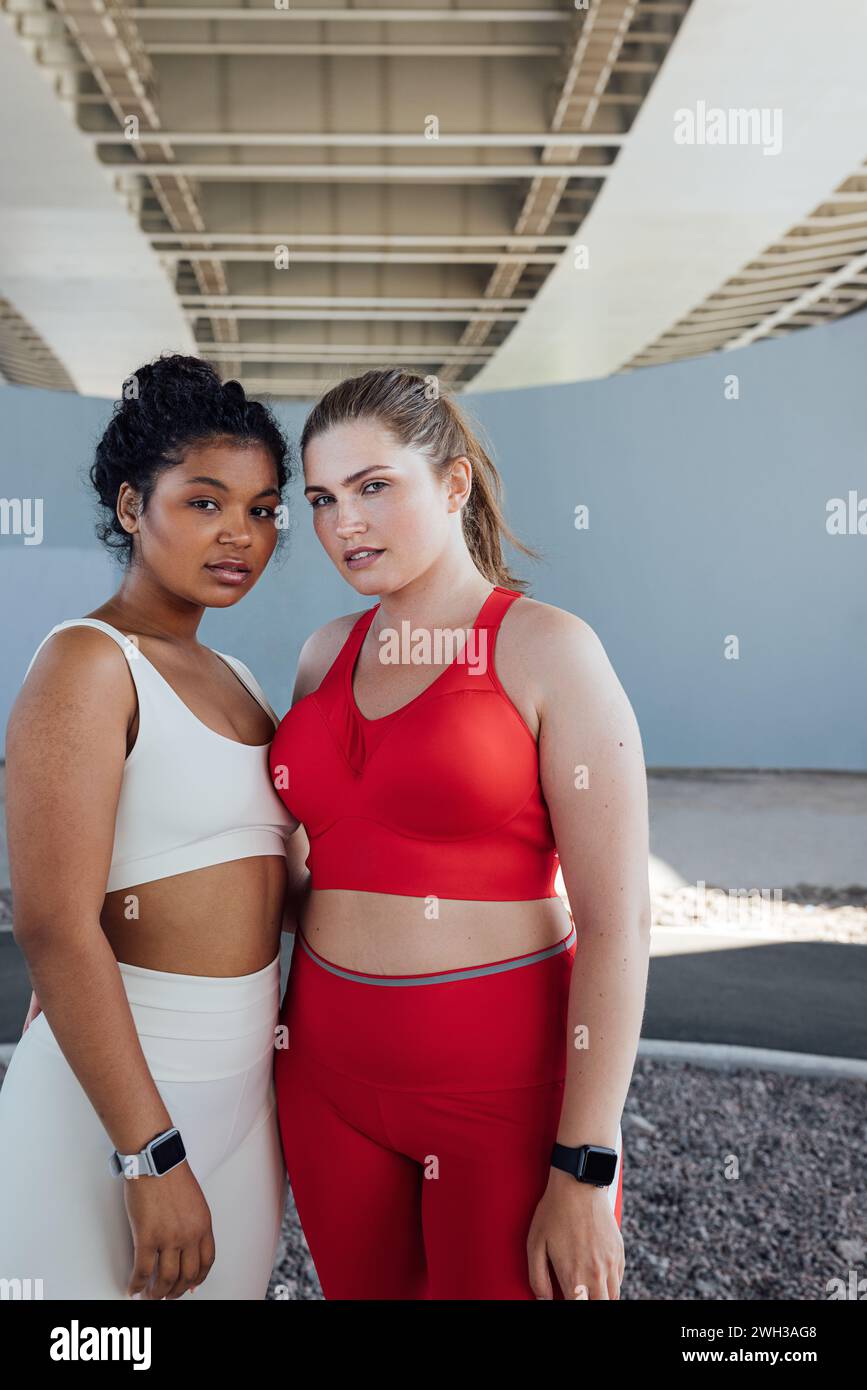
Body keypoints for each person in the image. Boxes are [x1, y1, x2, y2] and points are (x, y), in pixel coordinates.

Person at [270, 368, 651, 1300]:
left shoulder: (548, 649)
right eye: (321, 499)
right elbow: (289, 874)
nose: (343, 523)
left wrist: (586, 1163)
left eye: (373, 486)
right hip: (325, 1082)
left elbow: (619, 924)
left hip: (500, 1096)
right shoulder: (324, 654)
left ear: (452, 485)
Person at [0, 354, 297, 1300]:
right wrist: (148, 1155)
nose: (239, 535)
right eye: (204, 503)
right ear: (133, 507)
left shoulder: (245, 683)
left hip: (244, 1099)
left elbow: (274, 893)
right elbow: (50, 920)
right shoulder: (88, 663)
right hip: (119, 1108)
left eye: (260, 509)